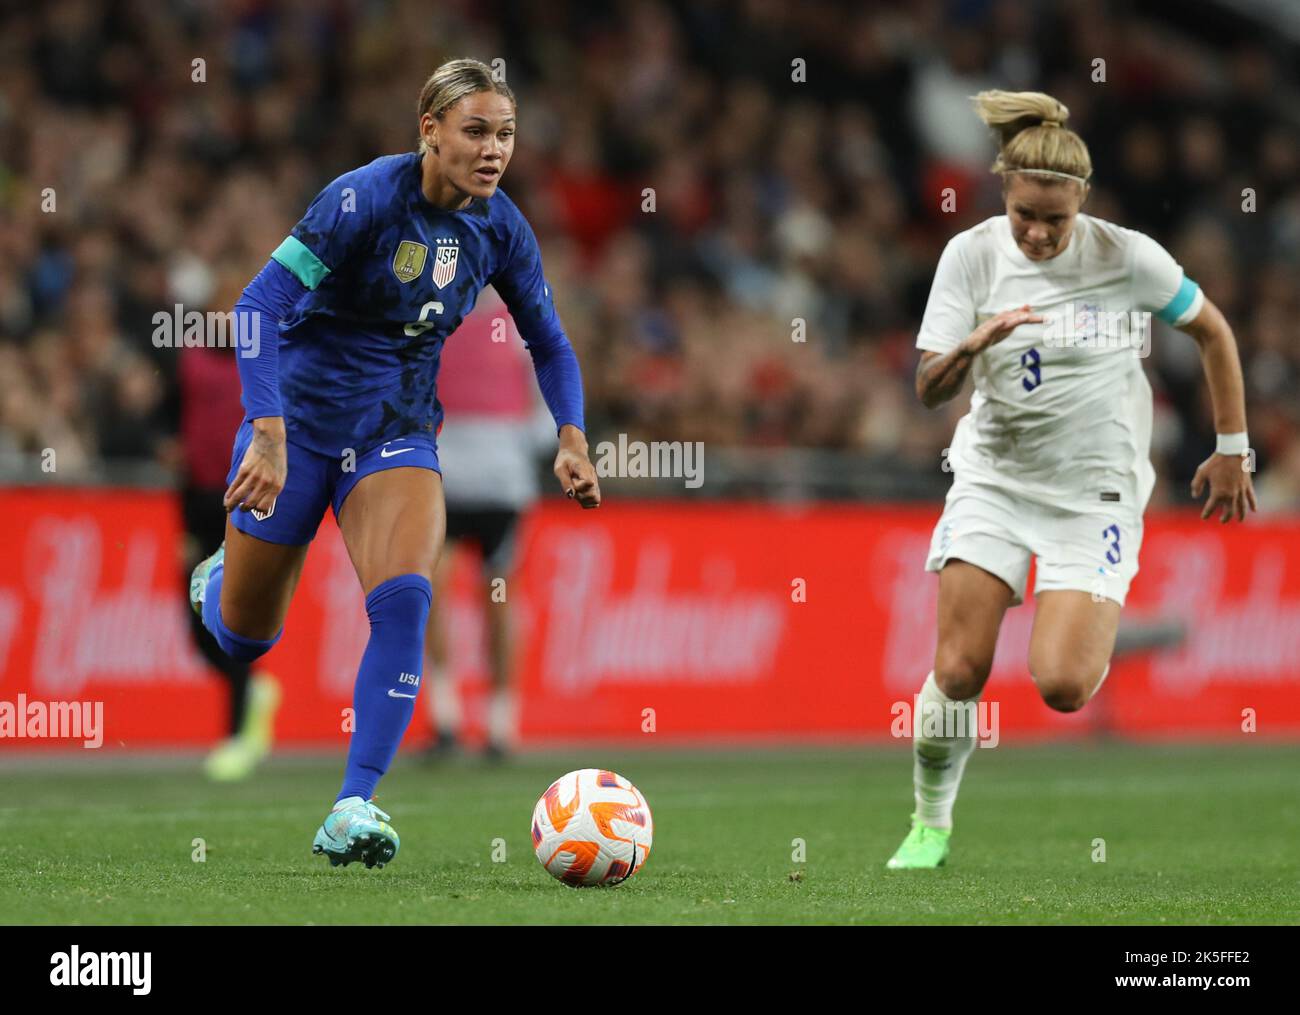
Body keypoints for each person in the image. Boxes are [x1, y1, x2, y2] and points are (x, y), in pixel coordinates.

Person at [188, 58, 601, 870]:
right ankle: (218, 582)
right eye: (476, 130)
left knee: (408, 599)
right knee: (244, 637)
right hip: (296, 427)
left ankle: (354, 802)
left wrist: (573, 433)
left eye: (506, 134)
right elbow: (257, 306)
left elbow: (548, 341)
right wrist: (266, 431)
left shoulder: (501, 229)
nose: (493, 150)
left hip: (396, 432)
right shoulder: (359, 200)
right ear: (430, 129)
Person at [887, 90, 1256, 870]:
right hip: (995, 475)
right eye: (1025, 213)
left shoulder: (1129, 258)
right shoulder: (973, 255)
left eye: (1055, 218)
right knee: (957, 667)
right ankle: (930, 823)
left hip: (1095, 494)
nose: (1038, 232)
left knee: (1061, 683)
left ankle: (1099, 606)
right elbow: (928, 387)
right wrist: (972, 345)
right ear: (1005, 194)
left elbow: (1214, 331)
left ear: (1082, 201)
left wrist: (1233, 448)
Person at [417, 287, 552, 761]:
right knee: (431, 592)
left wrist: (520, 443)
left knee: (497, 599)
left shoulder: (520, 323)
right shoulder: (434, 314)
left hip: (499, 482)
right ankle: (446, 716)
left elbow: (546, 392)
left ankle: (499, 721)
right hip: (446, 474)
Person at [178, 344, 280, 782]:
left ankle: (237, 736)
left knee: (231, 610)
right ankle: (254, 692)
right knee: (197, 625)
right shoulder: (192, 364)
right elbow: (174, 427)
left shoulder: (265, 359)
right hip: (200, 499)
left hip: (245, 492)